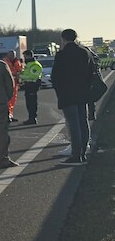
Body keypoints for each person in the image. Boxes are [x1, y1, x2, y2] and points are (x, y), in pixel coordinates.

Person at [53, 29, 95, 164]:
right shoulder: (85, 53)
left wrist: (59, 91)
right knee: (83, 122)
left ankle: (76, 155)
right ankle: (83, 153)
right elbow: (91, 73)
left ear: (63, 39)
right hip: (83, 93)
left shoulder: (61, 55)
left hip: (67, 94)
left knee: (73, 124)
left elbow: (56, 77)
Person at [19, 50, 43, 125]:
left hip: (32, 85)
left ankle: (32, 118)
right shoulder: (29, 64)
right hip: (28, 85)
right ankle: (31, 118)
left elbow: (33, 76)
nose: (24, 58)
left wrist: (20, 76)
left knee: (32, 103)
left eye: (25, 56)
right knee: (29, 103)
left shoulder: (35, 65)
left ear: (29, 56)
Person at [4, 51, 23, 122]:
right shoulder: (4, 62)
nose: (12, 56)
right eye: (11, 55)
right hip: (7, 83)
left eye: (13, 55)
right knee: (8, 100)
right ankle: (7, 115)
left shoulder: (17, 61)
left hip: (15, 83)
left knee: (13, 100)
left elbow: (20, 70)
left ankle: (10, 115)